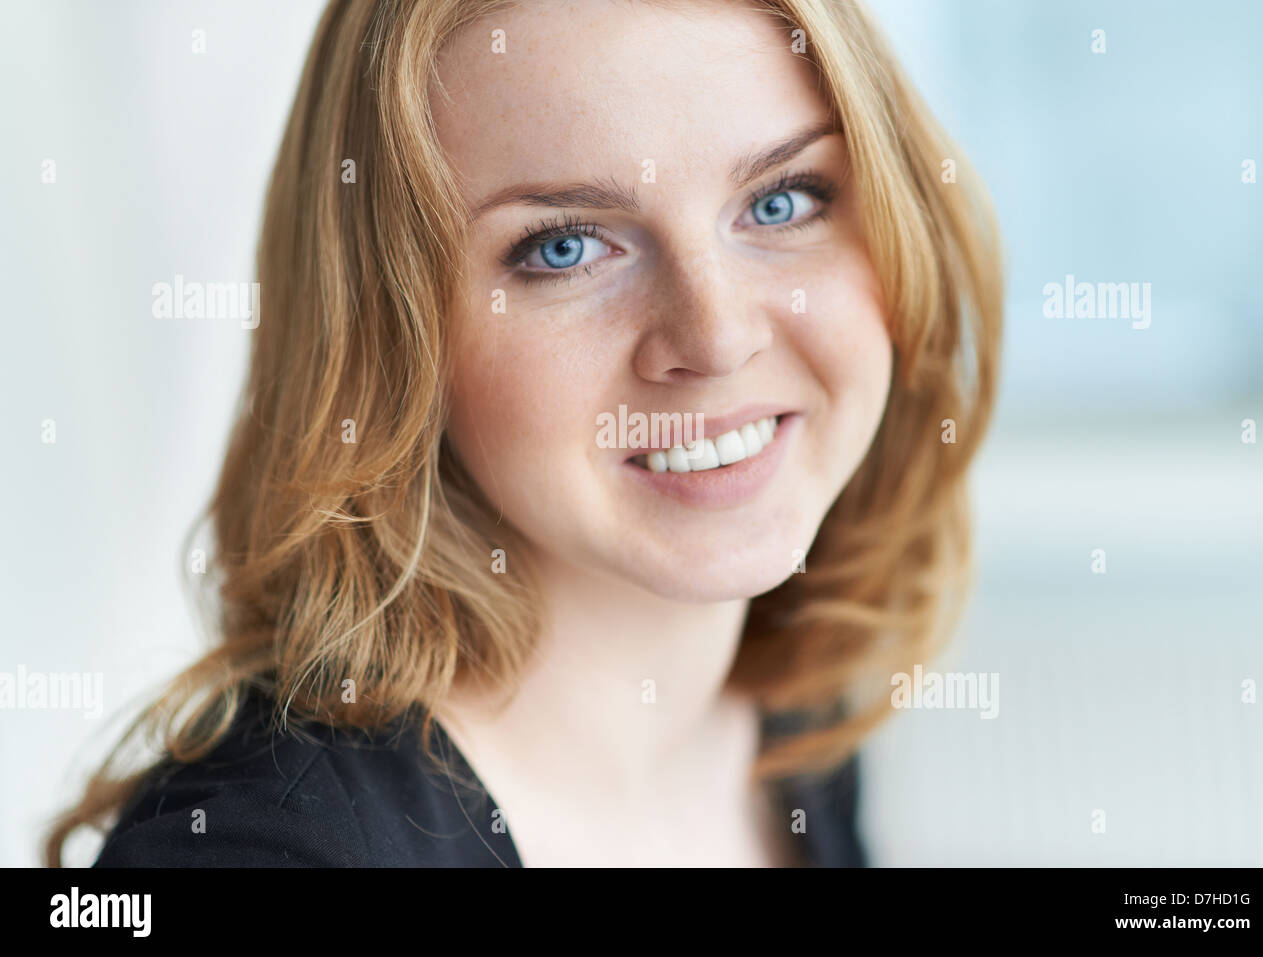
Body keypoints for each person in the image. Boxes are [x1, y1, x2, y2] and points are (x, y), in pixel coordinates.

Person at [46, 0, 1002, 868]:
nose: (716, 336)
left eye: (782, 199)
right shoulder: (262, 852)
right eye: (565, 247)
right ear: (394, 335)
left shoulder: (789, 722)